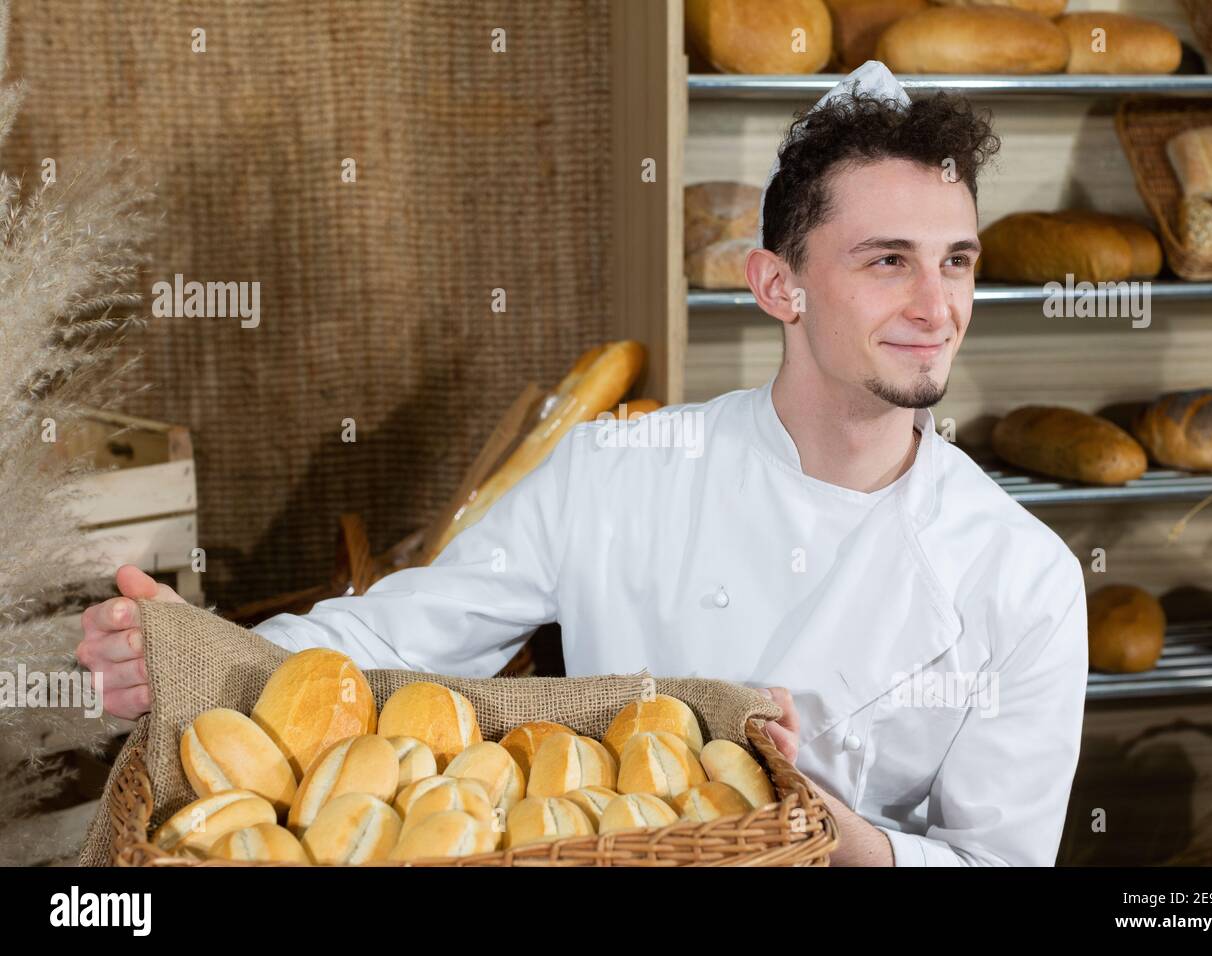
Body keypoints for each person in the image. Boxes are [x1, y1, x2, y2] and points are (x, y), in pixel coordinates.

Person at [78, 62, 1088, 866]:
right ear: (776, 284)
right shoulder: (621, 471)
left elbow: (994, 859)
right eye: (887, 260)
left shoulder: (1022, 575)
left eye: (956, 260)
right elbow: (402, 631)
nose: (935, 305)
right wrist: (190, 660)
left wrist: (832, 835)